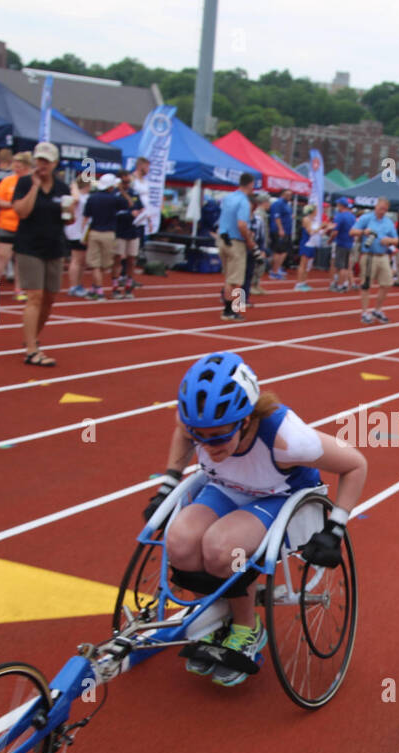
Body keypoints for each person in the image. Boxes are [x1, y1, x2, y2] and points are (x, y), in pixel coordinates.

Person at [142, 351, 368, 686]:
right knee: (180, 541)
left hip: (278, 495)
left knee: (222, 548)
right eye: (200, 436)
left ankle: (247, 629)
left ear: (245, 419)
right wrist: (169, 483)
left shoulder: (287, 437)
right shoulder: (198, 419)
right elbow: (182, 430)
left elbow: (356, 464)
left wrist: (335, 527)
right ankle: (214, 618)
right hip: (226, 487)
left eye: (219, 436)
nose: (208, 445)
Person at [11, 141, 74, 366]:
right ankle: (31, 350)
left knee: (49, 299)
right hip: (29, 246)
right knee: (35, 296)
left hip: (54, 246)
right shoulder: (25, 182)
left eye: (47, 161)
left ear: (55, 163)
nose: (42, 164)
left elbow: (68, 220)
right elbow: (21, 212)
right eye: (39, 160)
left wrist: (71, 211)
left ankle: (32, 338)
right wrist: (35, 187)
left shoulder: (62, 188)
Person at [0, 152, 30, 303]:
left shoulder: (31, 182)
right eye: (15, 164)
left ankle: (19, 289)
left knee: (21, 259)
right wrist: (13, 205)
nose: (16, 167)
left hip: (24, 226)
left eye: (19, 164)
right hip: (7, 224)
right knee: (2, 256)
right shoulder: (7, 181)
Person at [216, 172, 257, 321]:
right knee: (237, 279)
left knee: (229, 277)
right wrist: (249, 240)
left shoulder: (228, 198)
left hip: (223, 239)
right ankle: (231, 310)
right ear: (251, 184)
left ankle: (230, 308)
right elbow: (241, 224)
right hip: (236, 241)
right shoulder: (244, 202)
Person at [351, 197, 398, 324]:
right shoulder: (366, 218)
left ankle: (377, 309)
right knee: (366, 284)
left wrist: (389, 240)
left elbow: (396, 240)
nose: (382, 211)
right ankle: (365, 311)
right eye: (381, 208)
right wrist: (363, 232)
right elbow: (352, 231)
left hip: (382, 255)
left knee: (387, 282)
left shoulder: (388, 222)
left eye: (385, 209)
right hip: (369, 255)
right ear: (376, 206)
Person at [83, 173, 123, 300]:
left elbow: (86, 217)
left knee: (95, 264)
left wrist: (83, 234)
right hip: (109, 234)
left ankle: (97, 289)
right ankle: (98, 289)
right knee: (104, 265)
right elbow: (128, 205)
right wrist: (120, 190)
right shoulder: (115, 199)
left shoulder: (92, 198)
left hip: (95, 232)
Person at [113, 170, 144, 299]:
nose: (127, 182)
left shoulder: (134, 193)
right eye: (124, 180)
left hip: (133, 230)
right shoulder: (115, 194)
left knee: (132, 259)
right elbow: (113, 212)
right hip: (119, 231)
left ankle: (128, 286)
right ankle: (115, 287)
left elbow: (140, 207)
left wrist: (140, 214)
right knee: (118, 259)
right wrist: (128, 214)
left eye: (128, 180)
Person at [64, 174, 92, 297]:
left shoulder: (86, 197)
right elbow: (75, 201)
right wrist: (74, 186)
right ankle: (73, 286)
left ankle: (78, 284)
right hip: (76, 231)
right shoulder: (78, 197)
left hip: (83, 232)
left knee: (82, 261)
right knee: (76, 260)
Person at [329, 197, 356, 292]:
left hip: (341, 242)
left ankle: (340, 285)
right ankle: (343, 284)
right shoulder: (352, 216)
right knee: (345, 266)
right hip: (349, 243)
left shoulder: (339, 216)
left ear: (340, 205)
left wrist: (330, 239)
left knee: (340, 266)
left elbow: (335, 231)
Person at [268, 188, 294, 279]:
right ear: (282, 194)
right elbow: (277, 217)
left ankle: (277, 268)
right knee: (279, 251)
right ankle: (274, 271)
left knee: (284, 251)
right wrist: (280, 229)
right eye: (287, 194)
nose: (289, 196)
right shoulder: (278, 203)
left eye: (290, 195)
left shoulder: (287, 204)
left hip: (286, 230)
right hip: (279, 231)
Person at [294, 203, 318, 291]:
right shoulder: (306, 219)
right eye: (316, 210)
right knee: (303, 264)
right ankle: (299, 283)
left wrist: (326, 228)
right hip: (306, 243)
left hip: (312, 244)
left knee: (308, 265)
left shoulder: (314, 220)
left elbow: (317, 232)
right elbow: (310, 232)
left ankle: (303, 282)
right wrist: (321, 227)